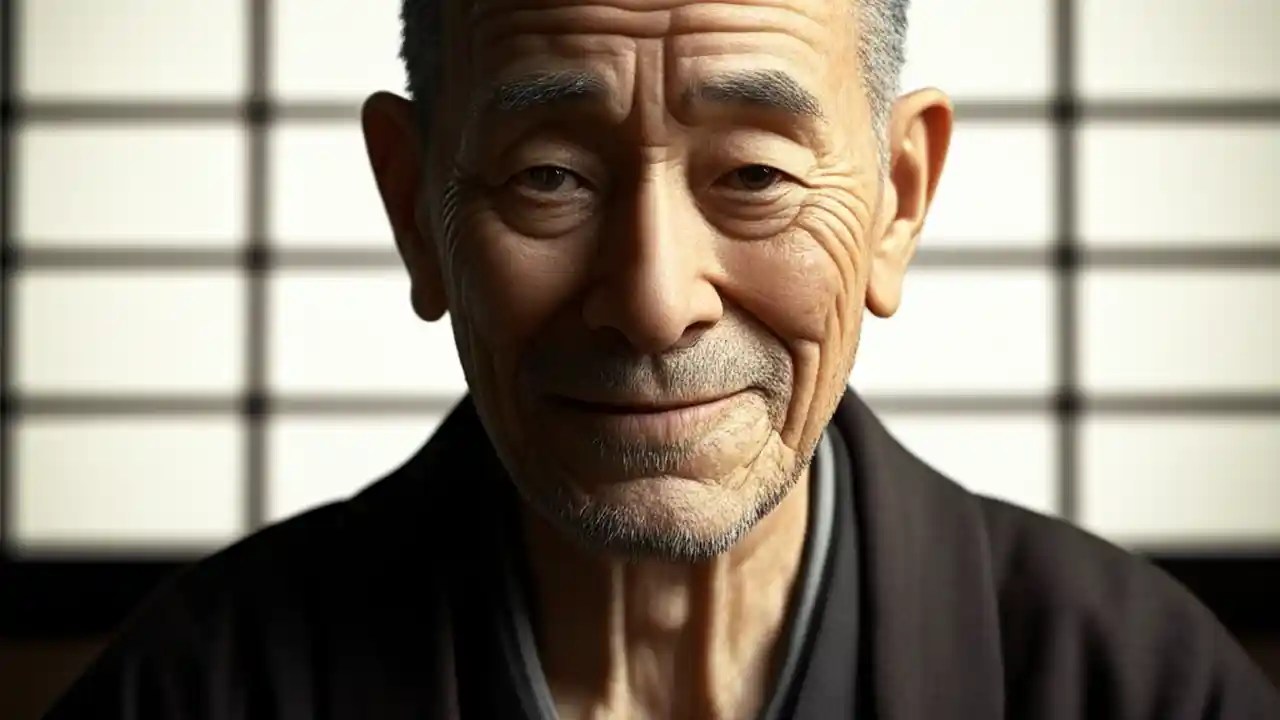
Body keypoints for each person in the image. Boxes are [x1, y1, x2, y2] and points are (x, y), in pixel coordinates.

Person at [44, 0, 1280, 717]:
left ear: (898, 200)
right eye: (548, 176)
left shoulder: (1128, 685)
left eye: (752, 175)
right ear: (412, 203)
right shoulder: (206, 690)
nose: (651, 299)